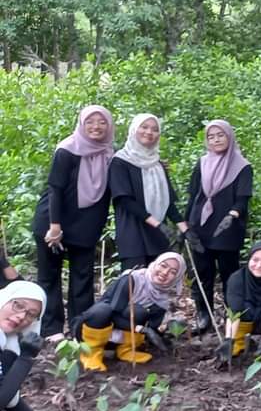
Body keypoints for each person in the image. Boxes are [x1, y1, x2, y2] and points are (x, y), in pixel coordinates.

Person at [33, 105, 115, 341]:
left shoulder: (110, 154)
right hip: (53, 220)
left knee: (83, 277)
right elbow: (56, 189)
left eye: (101, 122)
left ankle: (80, 327)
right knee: (49, 275)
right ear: (81, 124)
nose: (96, 127)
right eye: (90, 121)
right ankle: (51, 329)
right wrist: (55, 226)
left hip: (85, 224)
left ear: (109, 126)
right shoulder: (67, 150)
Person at [186, 120, 253, 336]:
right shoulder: (202, 163)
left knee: (229, 274)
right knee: (202, 273)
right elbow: (193, 195)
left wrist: (231, 217)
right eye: (211, 136)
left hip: (227, 228)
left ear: (229, 136)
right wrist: (186, 226)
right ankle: (203, 315)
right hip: (201, 227)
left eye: (220, 135)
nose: (216, 139)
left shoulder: (242, 166)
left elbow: (242, 200)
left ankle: (231, 316)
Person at [109, 114, 197, 269]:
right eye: (144, 127)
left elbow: (167, 202)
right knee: (134, 284)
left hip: (158, 235)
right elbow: (124, 200)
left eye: (155, 129)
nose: (149, 132)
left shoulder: (157, 165)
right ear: (134, 130)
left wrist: (185, 230)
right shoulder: (120, 161)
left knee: (158, 284)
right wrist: (157, 224)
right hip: (133, 232)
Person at [77, 253, 186, 371]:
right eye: (163, 266)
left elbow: (152, 327)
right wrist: (140, 329)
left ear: (177, 277)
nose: (165, 273)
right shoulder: (133, 279)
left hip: (120, 340)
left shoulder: (162, 299)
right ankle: (91, 354)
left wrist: (168, 345)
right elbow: (112, 313)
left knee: (140, 312)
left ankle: (125, 350)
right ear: (155, 264)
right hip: (93, 330)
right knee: (103, 311)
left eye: (172, 272)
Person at [0, 281, 74, 411]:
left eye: (31, 314)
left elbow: (7, 393)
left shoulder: (9, 342)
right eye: (18, 305)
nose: (21, 316)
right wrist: (25, 358)